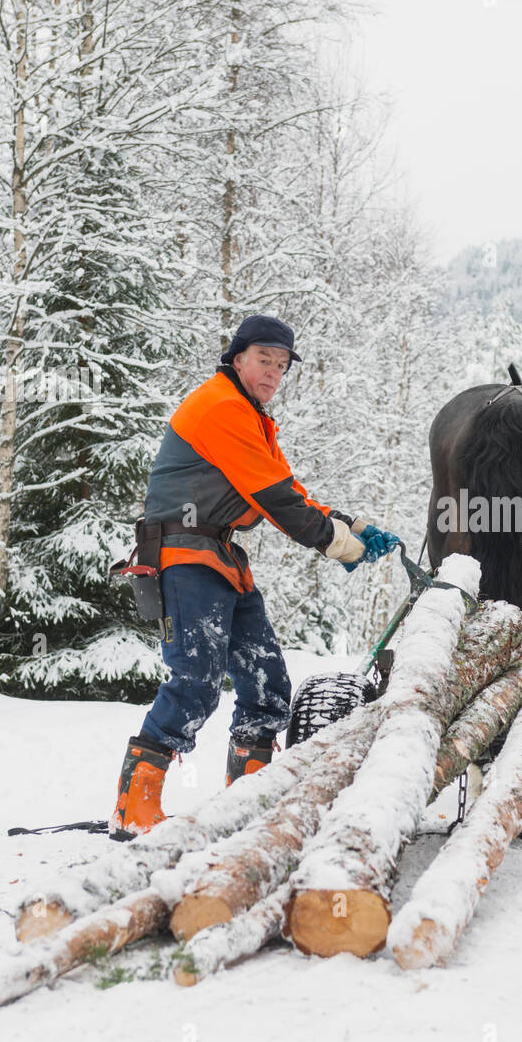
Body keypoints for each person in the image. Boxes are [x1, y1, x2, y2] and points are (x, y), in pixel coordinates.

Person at [111, 314, 398, 839]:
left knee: (266, 686)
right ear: (237, 357)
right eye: (264, 359)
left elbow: (288, 489)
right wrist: (339, 544)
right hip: (184, 555)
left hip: (220, 558)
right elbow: (278, 503)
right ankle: (135, 806)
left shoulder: (250, 416)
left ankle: (250, 806)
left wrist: (354, 524)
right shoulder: (222, 408)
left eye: (282, 365)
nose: (273, 373)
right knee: (196, 679)